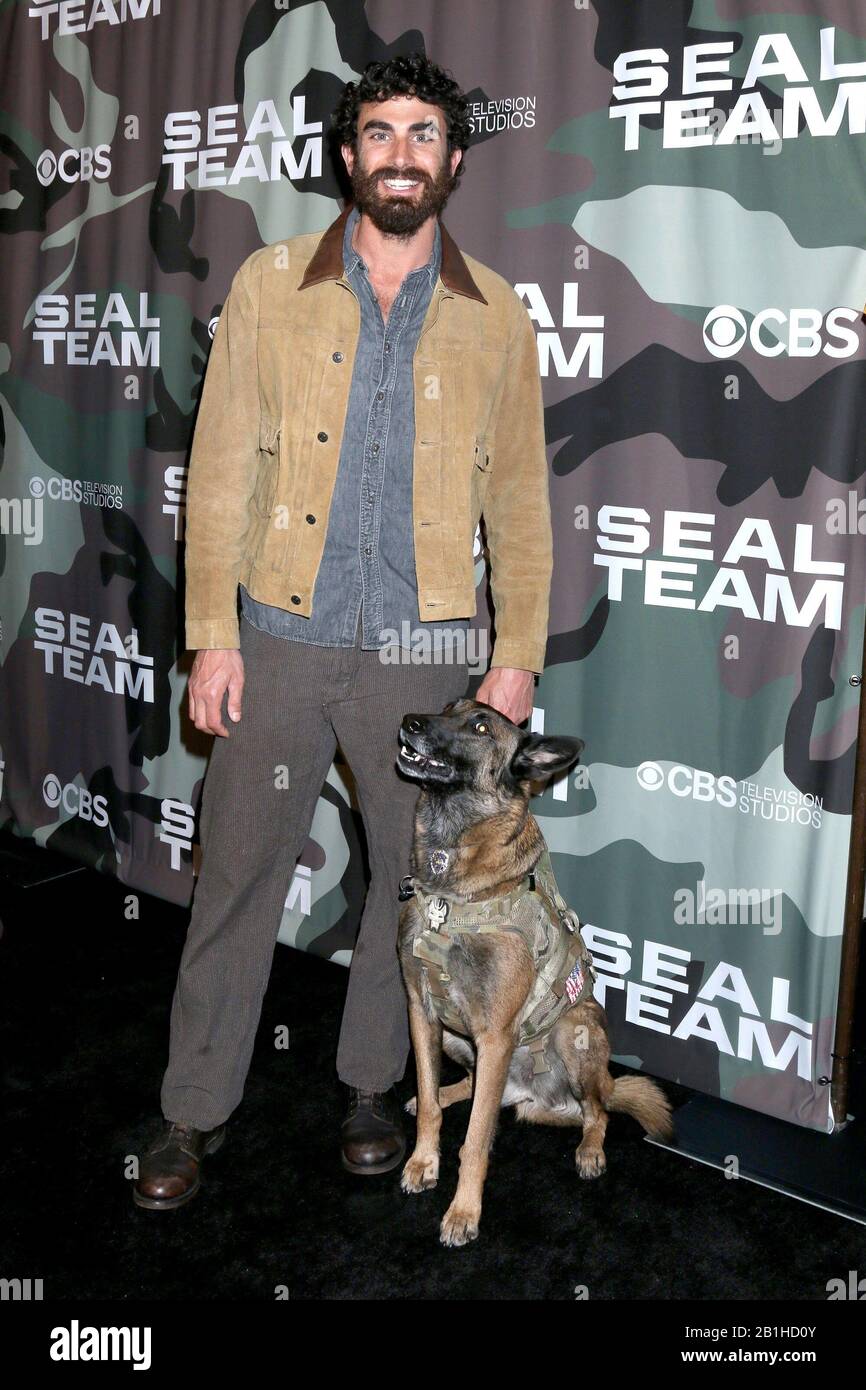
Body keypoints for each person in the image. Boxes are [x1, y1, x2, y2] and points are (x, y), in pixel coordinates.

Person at [133, 52, 553, 1209]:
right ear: (346, 155)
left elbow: (518, 498)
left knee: (404, 892)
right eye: (379, 133)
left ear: (454, 160)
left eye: (422, 134)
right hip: (277, 635)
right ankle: (192, 1107)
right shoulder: (271, 285)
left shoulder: (497, 314)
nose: (400, 154)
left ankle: (374, 1082)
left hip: (422, 653)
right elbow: (218, 473)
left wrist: (513, 656)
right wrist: (212, 635)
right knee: (237, 875)